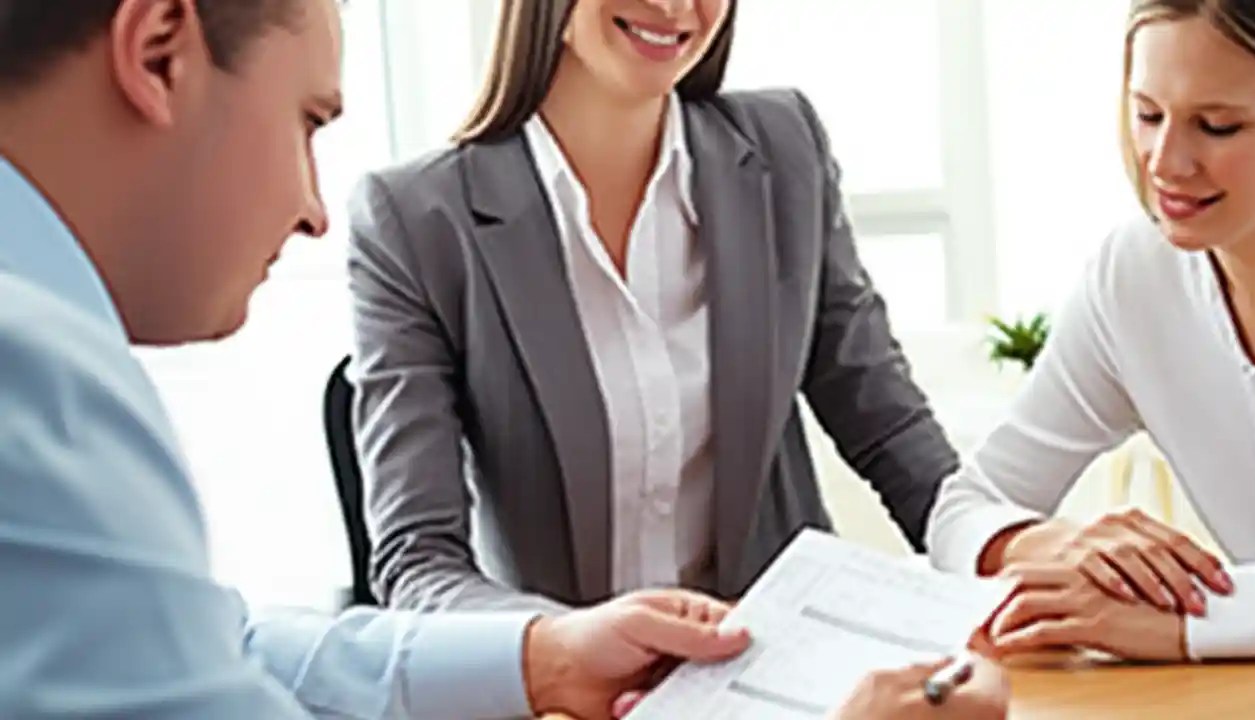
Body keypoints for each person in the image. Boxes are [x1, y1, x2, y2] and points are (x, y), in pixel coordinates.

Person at [0, 1, 756, 717]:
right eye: (309, 122)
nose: (314, 211)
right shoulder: (32, 385)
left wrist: (543, 657)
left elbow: (217, 643)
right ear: (159, 51)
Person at [348, 0, 957, 617]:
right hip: (567, 698)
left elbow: (887, 423)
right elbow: (417, 559)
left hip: (779, 670)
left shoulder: (784, 149)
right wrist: (563, 648)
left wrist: (998, 547)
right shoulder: (416, 221)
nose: (671, 6)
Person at [927, 0, 1255, 663]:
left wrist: (1178, 626)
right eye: (1147, 114)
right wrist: (1054, 546)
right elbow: (962, 512)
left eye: (1217, 126)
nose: (1166, 161)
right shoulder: (1137, 277)